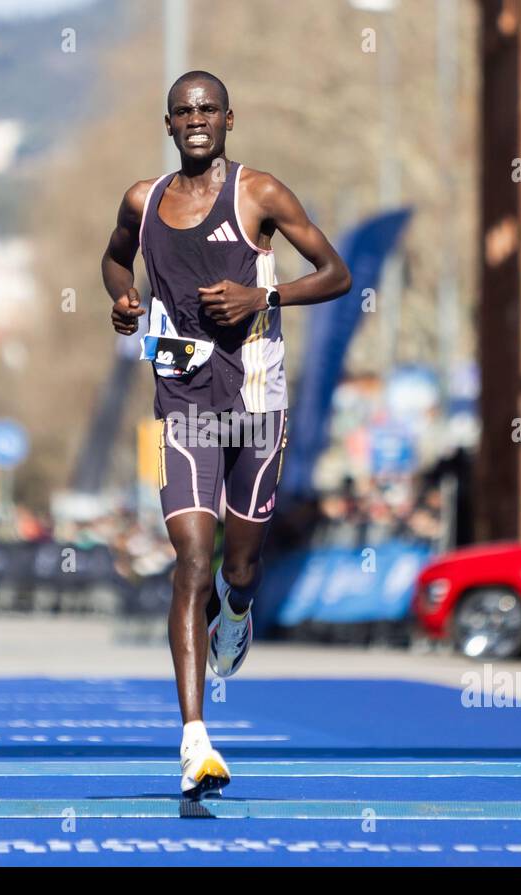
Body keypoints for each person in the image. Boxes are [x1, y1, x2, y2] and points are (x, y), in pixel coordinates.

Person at [102, 70, 351, 798]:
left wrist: (262, 294)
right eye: (184, 111)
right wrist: (123, 296)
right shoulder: (142, 201)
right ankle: (194, 740)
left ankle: (236, 614)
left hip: (256, 402)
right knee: (190, 558)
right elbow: (118, 256)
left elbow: (335, 272)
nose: (197, 119)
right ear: (169, 124)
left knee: (237, 569)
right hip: (183, 400)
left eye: (208, 108)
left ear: (229, 119)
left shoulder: (259, 193)